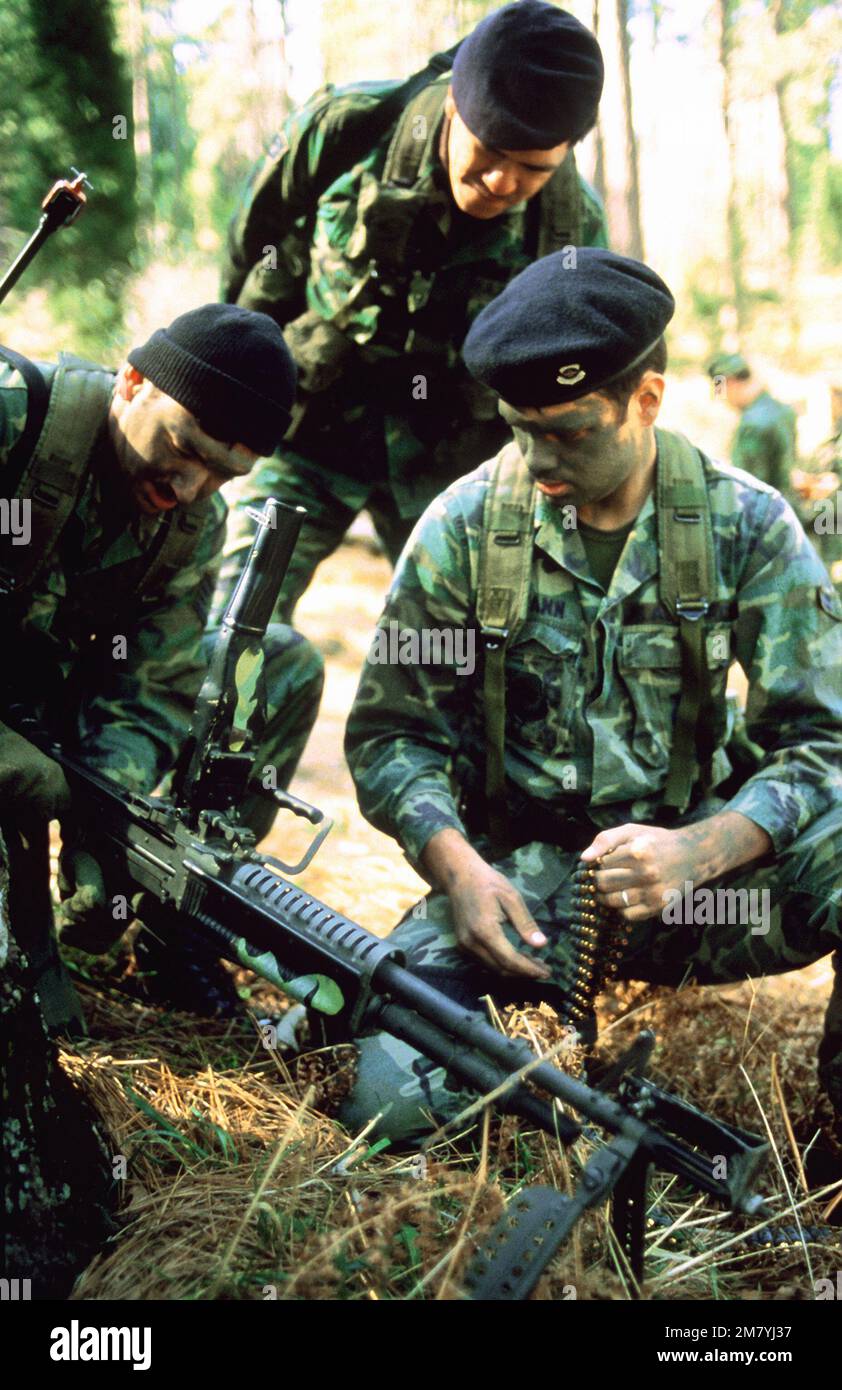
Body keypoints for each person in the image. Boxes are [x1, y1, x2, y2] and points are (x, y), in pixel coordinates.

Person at [340, 249, 842, 1163]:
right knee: (393, 1112)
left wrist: (705, 847)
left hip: (704, 901)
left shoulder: (749, 525)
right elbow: (390, 735)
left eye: (569, 432)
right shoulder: (462, 529)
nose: (539, 461)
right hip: (522, 905)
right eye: (520, 429)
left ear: (646, 400)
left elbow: (824, 742)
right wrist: (460, 872)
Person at [0, 304, 321, 1293]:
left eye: (223, 471)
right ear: (133, 382)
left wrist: (117, 816)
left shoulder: (188, 519)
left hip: (45, 725)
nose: (189, 485)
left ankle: (155, 932)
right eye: (184, 448)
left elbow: (149, 687)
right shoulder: (13, 418)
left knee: (280, 669)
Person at [214, 0, 607, 623]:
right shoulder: (351, 127)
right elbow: (251, 251)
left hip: (448, 466)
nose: (504, 182)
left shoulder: (571, 226)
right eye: (491, 150)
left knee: (467, 652)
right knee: (232, 617)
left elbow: (566, 379)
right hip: (310, 430)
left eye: (533, 168)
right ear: (454, 107)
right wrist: (227, 391)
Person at [707, 351, 798, 499]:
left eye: (722, 391)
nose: (724, 401)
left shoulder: (752, 424)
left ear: (730, 383)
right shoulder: (784, 411)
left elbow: (748, 485)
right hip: (787, 508)